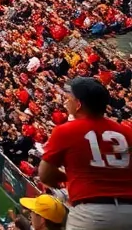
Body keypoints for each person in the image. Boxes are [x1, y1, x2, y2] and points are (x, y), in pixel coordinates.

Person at [39, 76, 132, 230]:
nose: (66, 101)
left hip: (91, 212)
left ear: (78, 104)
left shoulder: (66, 130)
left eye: (69, 98)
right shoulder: (127, 132)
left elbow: (45, 174)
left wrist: (70, 178)